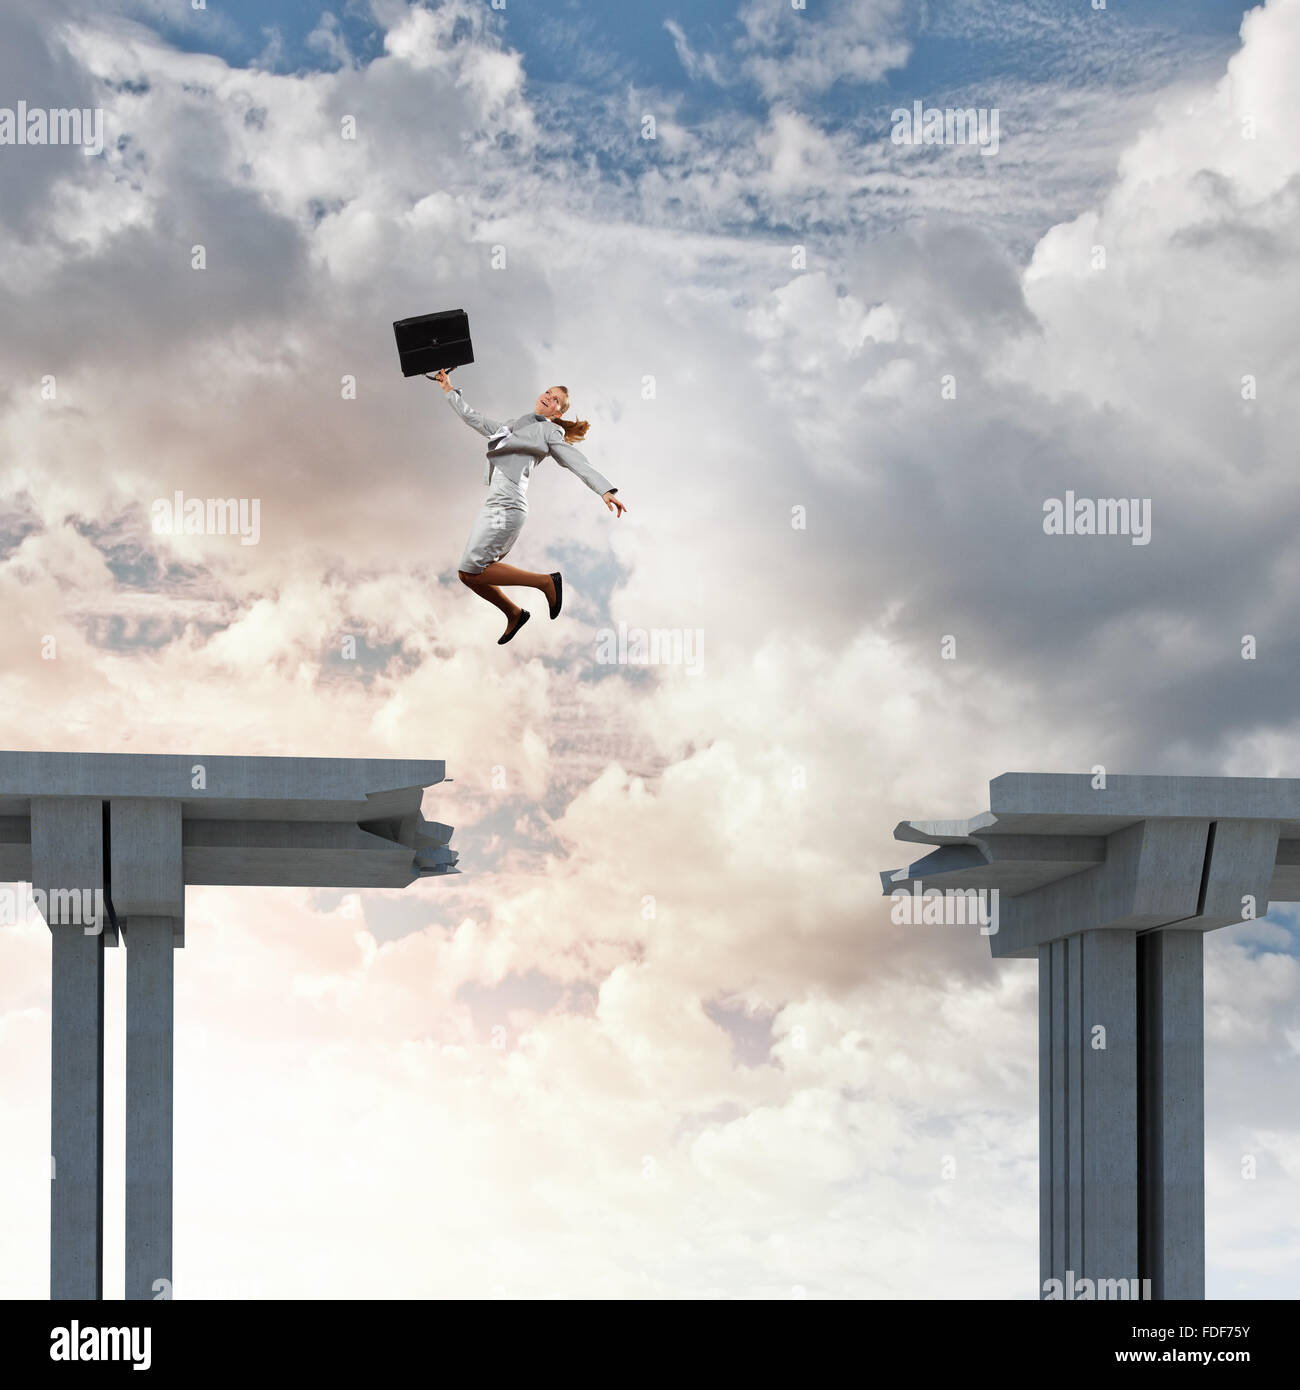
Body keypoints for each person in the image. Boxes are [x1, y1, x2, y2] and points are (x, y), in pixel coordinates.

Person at [430, 369, 627, 644]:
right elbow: (471, 417)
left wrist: (604, 489)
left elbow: (573, 459)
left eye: (556, 399)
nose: (549, 397)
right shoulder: (510, 426)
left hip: (508, 503)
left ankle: (546, 582)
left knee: (474, 568)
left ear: (558, 413)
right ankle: (514, 613)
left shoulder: (549, 430)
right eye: (548, 392)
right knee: (467, 574)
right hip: (495, 503)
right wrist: (448, 388)